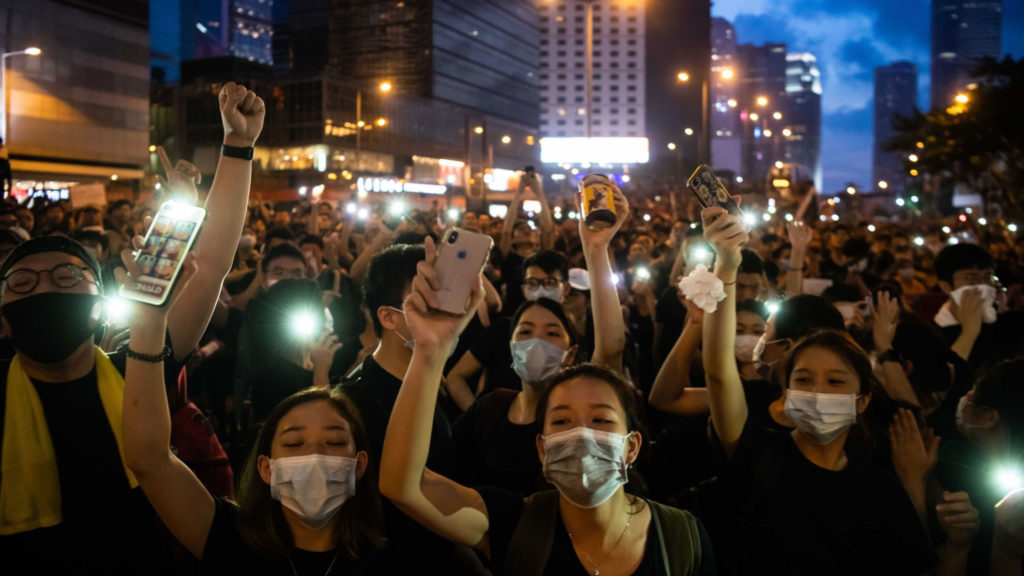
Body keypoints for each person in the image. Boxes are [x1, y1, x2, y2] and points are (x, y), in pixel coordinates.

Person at [0, 81, 265, 573]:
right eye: (22, 282)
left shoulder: (139, 366)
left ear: (99, 301)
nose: (43, 291)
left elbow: (208, 267)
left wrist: (237, 147)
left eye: (65, 277)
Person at [379, 239, 715, 575]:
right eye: (562, 421)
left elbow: (611, 346)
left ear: (632, 446)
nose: (581, 433)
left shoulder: (680, 537)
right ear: (541, 448)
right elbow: (403, 486)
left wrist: (596, 248)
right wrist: (429, 351)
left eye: (600, 419)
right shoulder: (515, 524)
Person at [699, 204, 937, 574]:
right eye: (804, 380)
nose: (818, 391)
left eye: (835, 381)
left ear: (862, 401)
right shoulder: (758, 454)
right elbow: (717, 372)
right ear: (784, 393)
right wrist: (726, 266)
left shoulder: (879, 489)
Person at [121, 264, 387, 573]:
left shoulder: (388, 562)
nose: (315, 455)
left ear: (359, 464)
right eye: (294, 442)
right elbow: (148, 459)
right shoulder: (232, 540)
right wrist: (148, 324)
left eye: (335, 441)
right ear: (265, 467)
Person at [337, 243, 460, 572]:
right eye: (426, 300)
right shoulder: (355, 404)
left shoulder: (431, 380)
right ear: (389, 317)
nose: (443, 310)